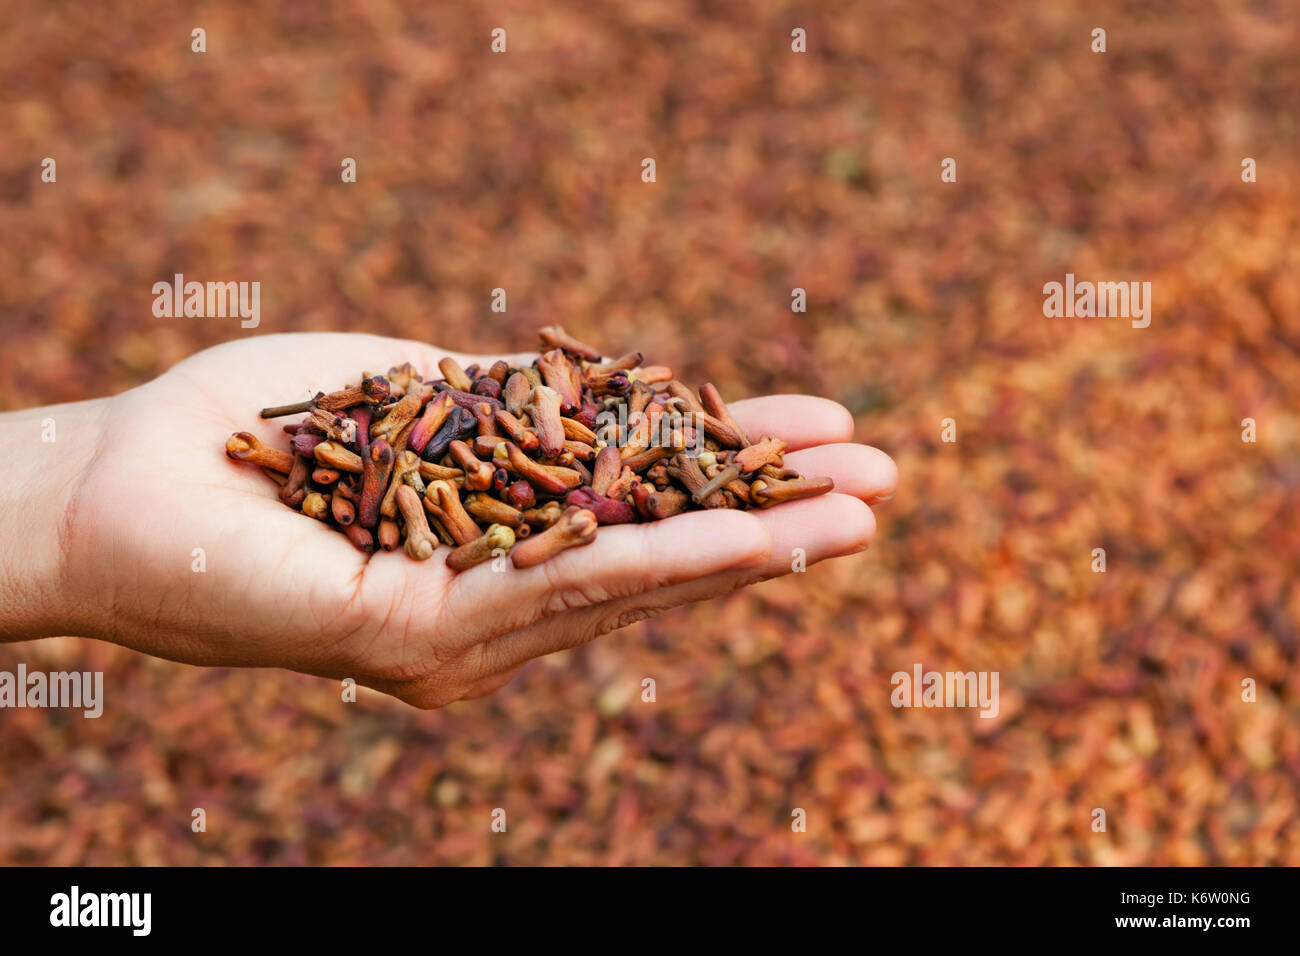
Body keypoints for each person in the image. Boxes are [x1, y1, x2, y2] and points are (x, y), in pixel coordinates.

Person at [0, 333, 898, 708]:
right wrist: (74, 500)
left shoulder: (615, 435)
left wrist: (73, 489)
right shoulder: (381, 445)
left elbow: (561, 464)